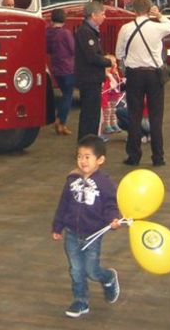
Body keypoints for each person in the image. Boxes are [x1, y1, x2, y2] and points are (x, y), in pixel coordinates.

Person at [51, 135, 121, 318]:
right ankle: (80, 301)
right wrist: (57, 226)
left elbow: (110, 205)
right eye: (79, 156)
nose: (82, 161)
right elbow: (64, 204)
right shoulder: (72, 179)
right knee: (76, 270)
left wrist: (113, 219)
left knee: (91, 270)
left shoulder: (105, 183)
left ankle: (108, 277)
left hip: (93, 234)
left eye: (87, 157)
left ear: (100, 160)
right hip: (72, 233)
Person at [115, 0, 170, 167]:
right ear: (149, 10)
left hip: (134, 75)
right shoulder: (157, 27)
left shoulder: (126, 28)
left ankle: (133, 156)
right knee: (156, 117)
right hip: (154, 75)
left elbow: (119, 53)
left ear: (133, 10)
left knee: (134, 115)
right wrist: (159, 15)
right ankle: (158, 157)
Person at [74, 1, 115, 141]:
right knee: (90, 114)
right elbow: (92, 57)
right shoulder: (85, 32)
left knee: (92, 113)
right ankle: (87, 142)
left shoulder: (90, 31)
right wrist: (108, 61)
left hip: (92, 78)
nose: (104, 17)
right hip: (89, 79)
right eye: (102, 14)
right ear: (93, 15)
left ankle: (89, 141)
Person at [46, 8, 75, 135]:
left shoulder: (48, 32)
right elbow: (73, 49)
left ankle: (59, 120)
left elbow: (47, 49)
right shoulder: (66, 33)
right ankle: (60, 122)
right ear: (64, 19)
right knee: (68, 95)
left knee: (64, 94)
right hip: (68, 68)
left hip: (56, 67)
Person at [100, 61, 124, 137]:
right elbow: (105, 87)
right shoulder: (107, 76)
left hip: (115, 96)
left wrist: (122, 81)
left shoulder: (116, 74)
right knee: (107, 111)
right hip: (108, 97)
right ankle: (107, 125)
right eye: (114, 67)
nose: (116, 68)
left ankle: (114, 124)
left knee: (114, 111)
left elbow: (118, 83)